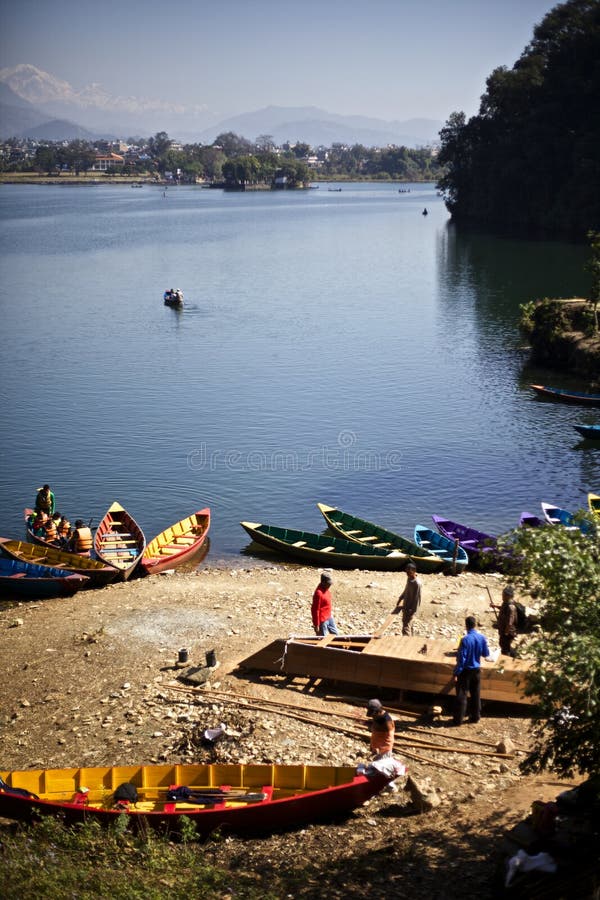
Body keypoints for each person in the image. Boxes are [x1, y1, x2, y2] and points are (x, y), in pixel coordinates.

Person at [453, 616, 492, 726]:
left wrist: (456, 672)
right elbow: (486, 654)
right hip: (476, 670)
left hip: (465, 671)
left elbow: (462, 659)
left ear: (466, 625)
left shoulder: (465, 639)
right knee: (475, 694)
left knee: (462, 695)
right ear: (475, 625)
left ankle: (458, 720)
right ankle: (475, 717)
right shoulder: (482, 638)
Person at [395, 562, 422, 635]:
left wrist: (412, 610)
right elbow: (406, 590)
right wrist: (400, 598)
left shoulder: (417, 583)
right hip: (406, 605)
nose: (407, 574)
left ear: (414, 571)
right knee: (409, 624)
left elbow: (416, 599)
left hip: (410, 608)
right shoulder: (409, 579)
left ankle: (406, 641)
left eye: (409, 572)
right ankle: (411, 640)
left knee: (406, 626)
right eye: (406, 572)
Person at [311, 571, 338, 636]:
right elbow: (315, 610)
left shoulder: (326, 589)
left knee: (335, 634)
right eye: (328, 584)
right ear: (323, 582)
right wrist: (316, 624)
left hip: (329, 616)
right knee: (323, 637)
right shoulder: (318, 593)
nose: (329, 585)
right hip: (322, 620)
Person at [497, 585, 519, 657]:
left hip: (508, 632)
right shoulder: (505, 603)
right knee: (504, 645)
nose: (502, 596)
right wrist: (495, 606)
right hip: (504, 630)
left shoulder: (511, 607)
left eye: (504, 595)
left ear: (508, 596)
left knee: (505, 648)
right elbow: (503, 609)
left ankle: (509, 659)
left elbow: (510, 621)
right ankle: (514, 656)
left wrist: (506, 632)